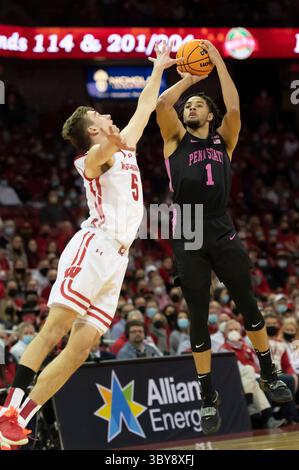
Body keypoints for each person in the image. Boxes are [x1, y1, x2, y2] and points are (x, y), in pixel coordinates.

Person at [0, 41, 180, 449]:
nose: (107, 114)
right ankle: (8, 408)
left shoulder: (124, 142)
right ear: (94, 129)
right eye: (100, 115)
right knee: (54, 330)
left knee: (81, 349)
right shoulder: (91, 159)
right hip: (93, 247)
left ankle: (20, 421)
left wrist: (158, 71)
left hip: (117, 260)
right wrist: (111, 143)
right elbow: (102, 153)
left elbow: (146, 108)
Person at [156, 39, 292, 435]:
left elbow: (233, 106)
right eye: (189, 107)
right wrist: (185, 81)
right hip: (190, 225)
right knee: (198, 313)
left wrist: (216, 60)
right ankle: (206, 397)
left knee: (247, 302)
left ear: (210, 115)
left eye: (198, 104)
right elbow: (163, 106)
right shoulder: (175, 139)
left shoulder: (225, 138)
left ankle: (268, 373)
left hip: (219, 222)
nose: (190, 108)